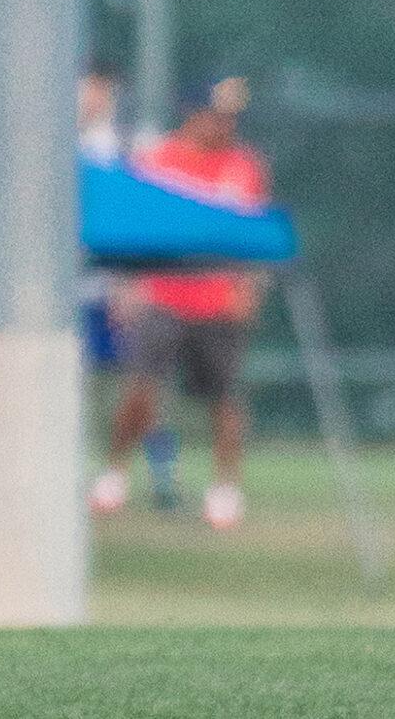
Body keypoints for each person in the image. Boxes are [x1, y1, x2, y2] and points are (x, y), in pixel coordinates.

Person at [93, 77, 273, 531]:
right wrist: (126, 291)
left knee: (225, 397)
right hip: (165, 295)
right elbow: (132, 234)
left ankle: (226, 489)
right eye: (218, 116)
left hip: (217, 300)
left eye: (232, 118)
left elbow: (252, 236)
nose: (226, 126)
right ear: (195, 114)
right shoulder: (159, 161)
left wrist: (248, 290)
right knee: (140, 388)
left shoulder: (243, 165)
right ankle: (115, 474)